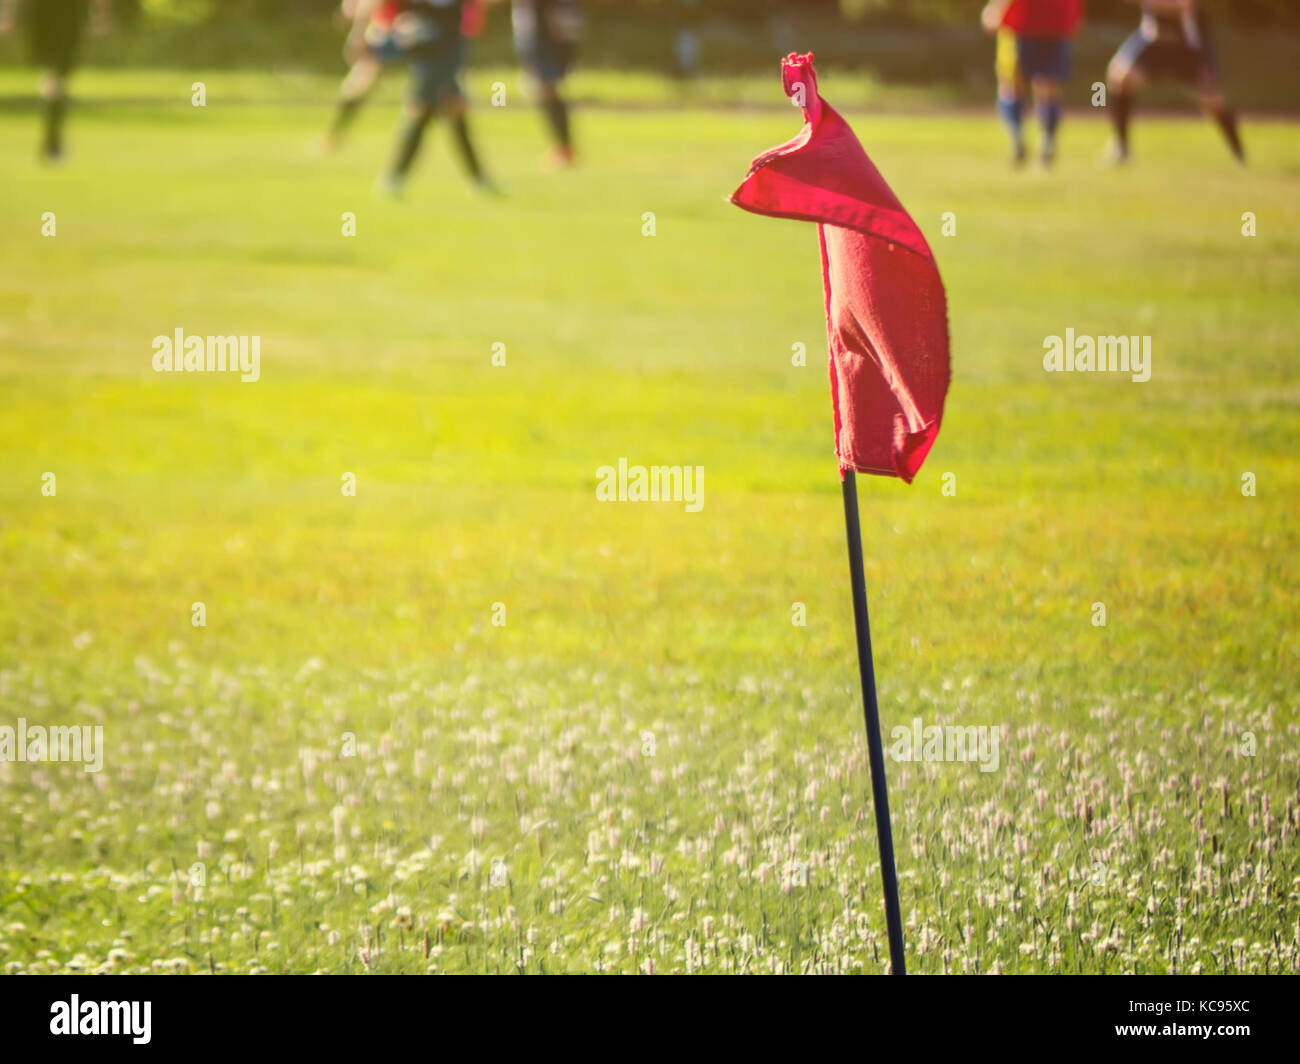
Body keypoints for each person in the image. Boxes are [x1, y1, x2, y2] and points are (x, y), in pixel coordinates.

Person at [378, 0, 497, 197]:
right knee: (425, 107)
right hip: (424, 39)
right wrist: (388, 24)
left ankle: (479, 180)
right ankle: (393, 179)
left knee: (450, 107)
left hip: (450, 40)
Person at [1105, 0, 1243, 164]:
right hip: (1154, 40)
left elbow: (1183, 6)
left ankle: (1238, 152)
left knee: (1211, 100)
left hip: (1185, 45)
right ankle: (1122, 148)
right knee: (1121, 78)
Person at [0, 0, 110, 162]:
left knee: (54, 76)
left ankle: (52, 139)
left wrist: (9, 14)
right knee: (55, 76)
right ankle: (53, 140)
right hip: (54, 13)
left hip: (61, 12)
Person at [981, 0, 1083, 168]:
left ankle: (1017, 138)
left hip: (1021, 21)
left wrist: (995, 9)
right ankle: (1047, 141)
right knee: (1049, 85)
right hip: (1057, 19)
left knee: (1011, 84)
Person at [322, 0, 404, 152]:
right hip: (388, 32)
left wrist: (357, 36)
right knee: (357, 86)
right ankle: (332, 136)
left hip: (391, 32)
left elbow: (361, 9)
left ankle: (332, 136)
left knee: (357, 86)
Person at [512, 0, 582, 166]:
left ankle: (564, 148)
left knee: (547, 88)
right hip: (540, 33)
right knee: (543, 89)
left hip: (547, 35)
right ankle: (563, 147)